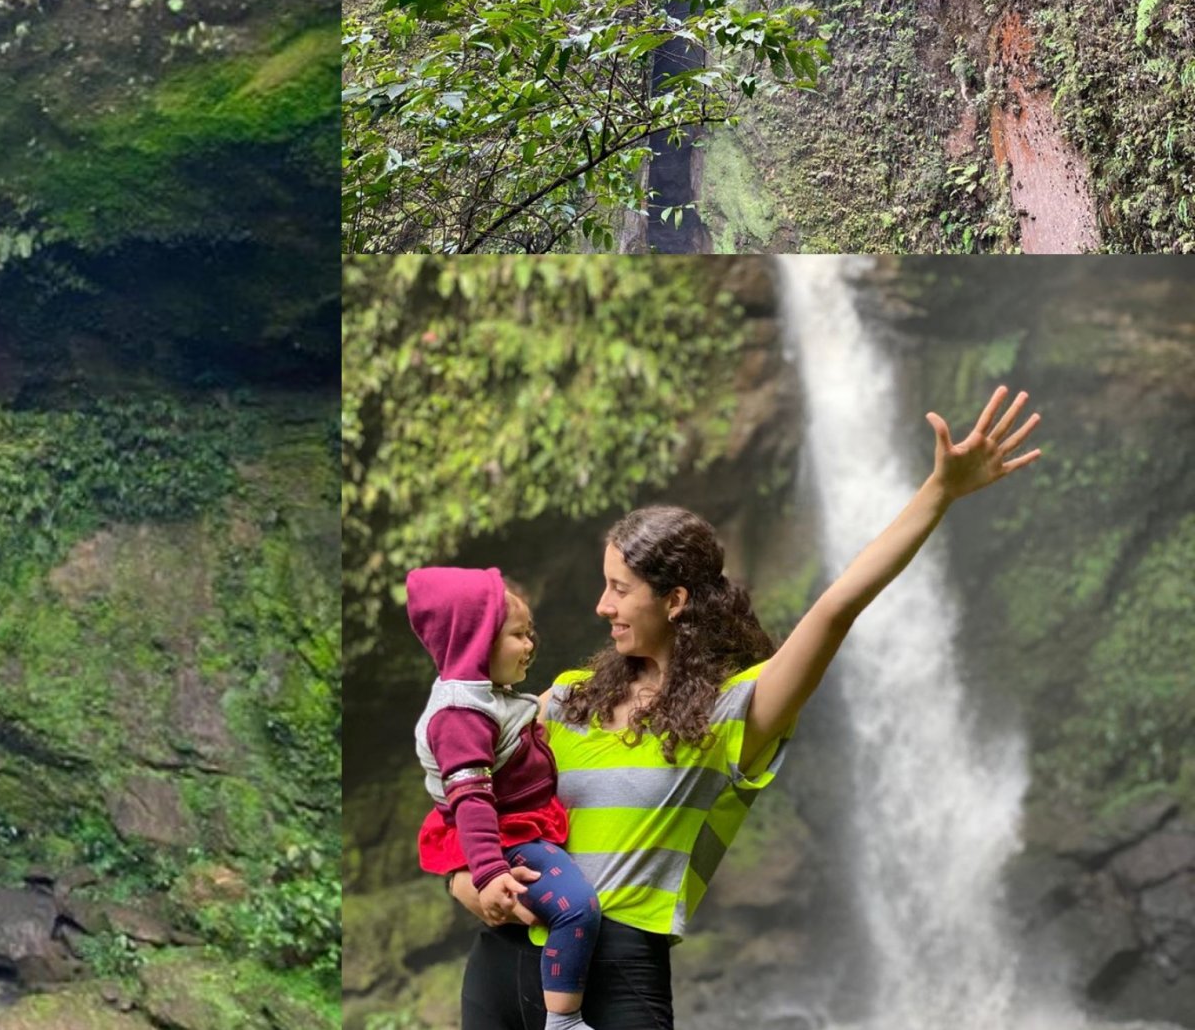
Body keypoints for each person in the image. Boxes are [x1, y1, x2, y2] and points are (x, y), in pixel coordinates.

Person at [446, 385, 1043, 1029]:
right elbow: (464, 804)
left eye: (620, 589)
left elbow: (836, 608)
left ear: (674, 600)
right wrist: (472, 889)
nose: (602, 606)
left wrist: (939, 493)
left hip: (614, 972)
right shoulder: (565, 698)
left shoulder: (734, 713)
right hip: (501, 964)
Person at [407, 569, 605, 1030]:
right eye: (518, 634)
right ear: (478, 641)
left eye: (529, 632)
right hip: (505, 838)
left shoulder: (488, 700)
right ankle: (565, 1020)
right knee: (577, 908)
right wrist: (490, 873)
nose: (530, 643)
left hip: (513, 831)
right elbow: (471, 799)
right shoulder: (461, 716)